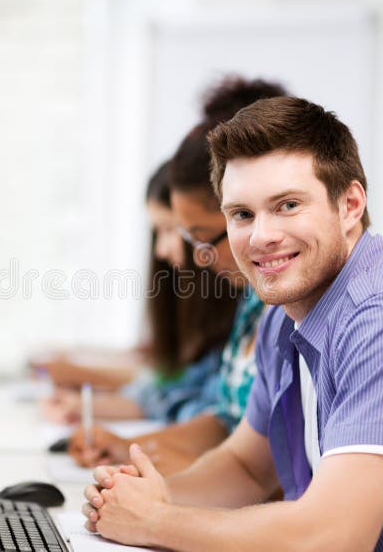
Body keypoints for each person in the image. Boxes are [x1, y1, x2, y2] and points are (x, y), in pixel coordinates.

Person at [80, 96, 383, 550]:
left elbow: (335, 536)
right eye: (242, 214)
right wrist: (144, 498)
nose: (261, 236)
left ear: (350, 205)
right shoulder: (284, 315)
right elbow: (246, 467)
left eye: (287, 205)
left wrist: (158, 522)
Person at [68, 77, 288, 474]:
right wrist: (133, 452)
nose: (188, 256)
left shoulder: (308, 308)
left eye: (189, 235)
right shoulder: (258, 298)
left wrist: (155, 488)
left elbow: (269, 472)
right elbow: (229, 427)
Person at [41, 160, 239, 424]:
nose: (161, 250)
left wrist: (87, 392)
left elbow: (208, 412)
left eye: (169, 230)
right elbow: (170, 381)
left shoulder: (244, 307)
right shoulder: (213, 312)